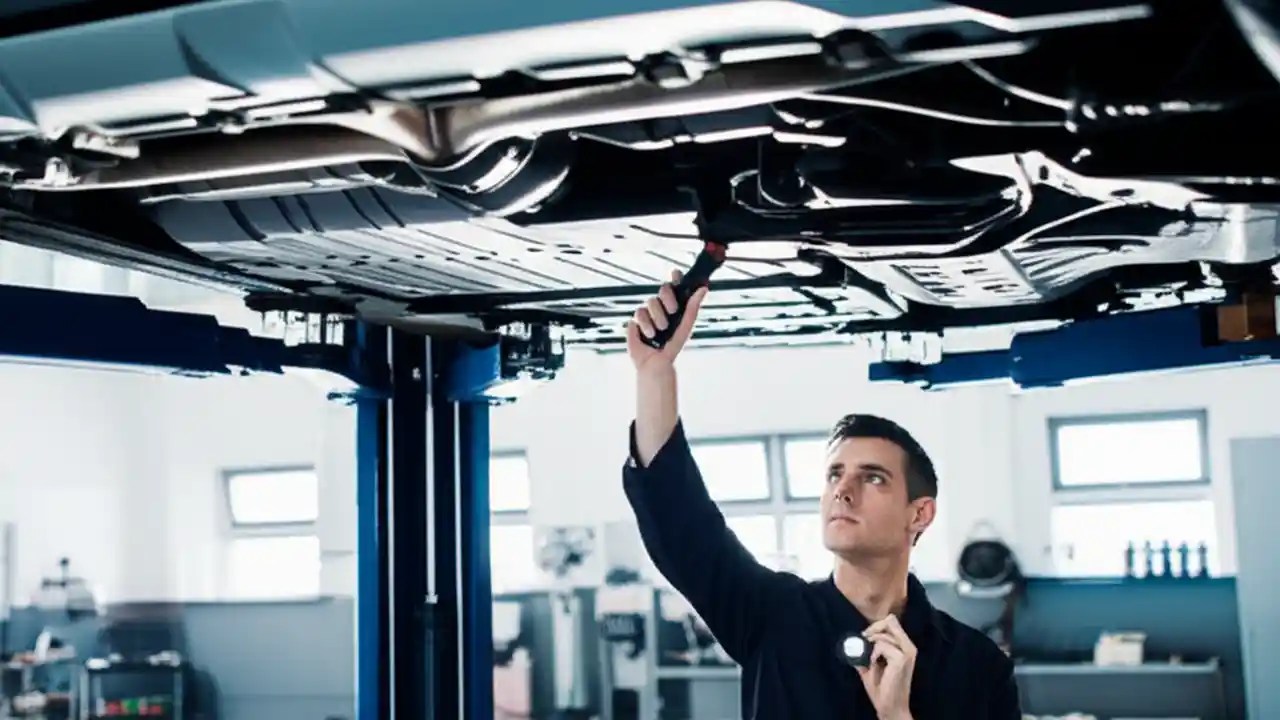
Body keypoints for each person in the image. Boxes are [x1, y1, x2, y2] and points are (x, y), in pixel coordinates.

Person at [621, 272, 1022, 719]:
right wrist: (655, 375)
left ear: (920, 514)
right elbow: (681, 523)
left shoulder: (979, 667)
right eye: (834, 475)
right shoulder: (768, 614)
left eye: (873, 478)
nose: (843, 492)